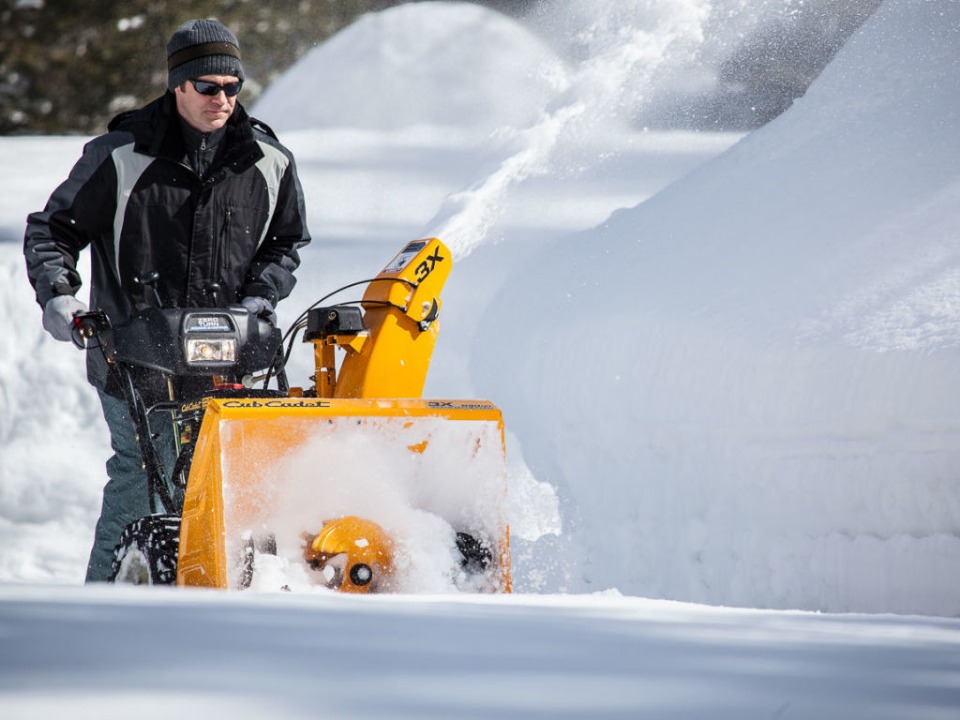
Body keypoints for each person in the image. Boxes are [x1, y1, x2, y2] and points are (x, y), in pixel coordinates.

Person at [23, 18, 311, 582]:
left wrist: (260, 297)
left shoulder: (268, 161)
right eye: (208, 87)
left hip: (231, 356)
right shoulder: (121, 156)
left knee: (237, 479)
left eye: (232, 87)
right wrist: (60, 296)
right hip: (134, 352)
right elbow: (52, 231)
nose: (222, 99)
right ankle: (108, 595)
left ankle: (237, 593)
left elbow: (285, 244)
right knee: (142, 474)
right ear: (177, 85)